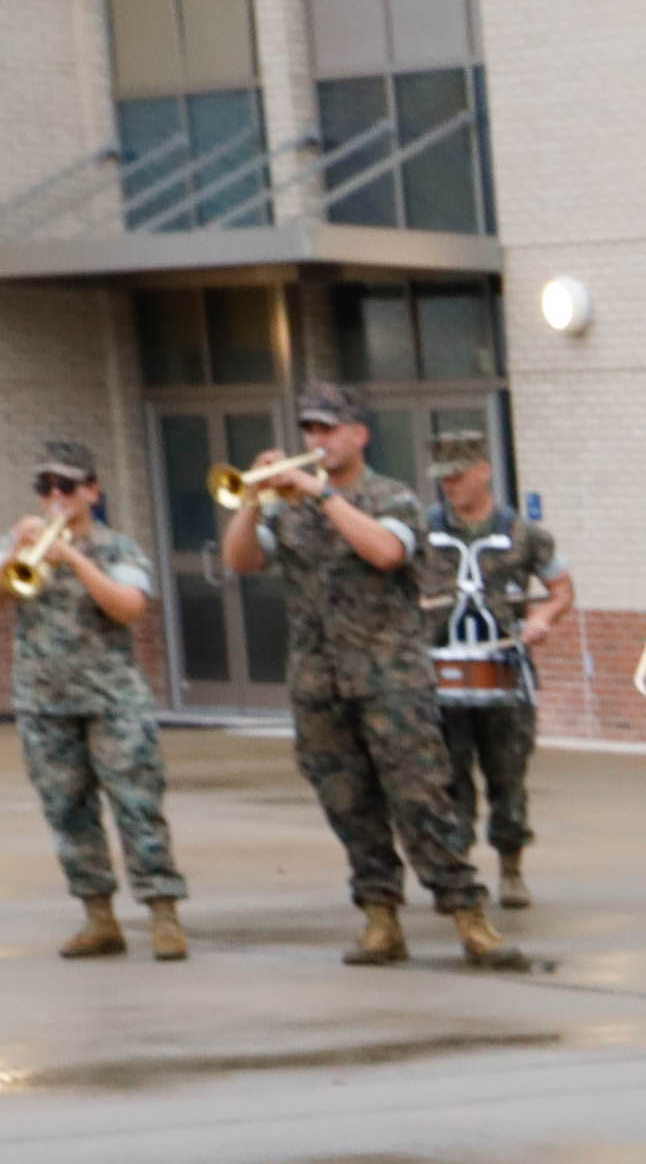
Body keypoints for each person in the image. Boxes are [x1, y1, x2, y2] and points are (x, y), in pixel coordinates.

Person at [220, 379, 518, 970]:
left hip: (390, 680)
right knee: (347, 802)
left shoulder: (393, 498)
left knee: (421, 798)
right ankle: (380, 917)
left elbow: (386, 552)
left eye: (327, 429)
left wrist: (321, 494)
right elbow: (241, 561)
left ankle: (468, 915)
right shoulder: (290, 509)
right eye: (309, 430)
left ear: (359, 434)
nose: (316, 440)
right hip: (319, 681)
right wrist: (253, 498)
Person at [12, 440, 182, 961]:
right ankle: (98, 918)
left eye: (66, 486)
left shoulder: (119, 550)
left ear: (92, 491)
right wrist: (19, 552)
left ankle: (162, 914)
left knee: (137, 807)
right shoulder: (23, 545)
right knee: (67, 812)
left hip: (112, 700)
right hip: (45, 701)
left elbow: (128, 607)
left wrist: (72, 558)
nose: (56, 497)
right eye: (46, 488)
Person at [416, 431, 570, 913]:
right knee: (447, 777)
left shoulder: (524, 534)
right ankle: (458, 872)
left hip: (504, 671)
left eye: (457, 477)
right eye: (442, 479)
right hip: (439, 670)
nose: (449, 487)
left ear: (483, 470)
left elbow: (561, 589)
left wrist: (541, 620)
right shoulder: (423, 530)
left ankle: (511, 869)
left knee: (507, 774)